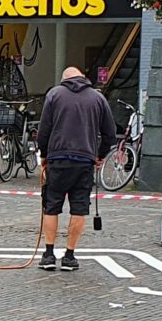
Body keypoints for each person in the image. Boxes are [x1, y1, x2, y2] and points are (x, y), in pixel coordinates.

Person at [35, 66, 116, 272]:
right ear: (83, 77)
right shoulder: (98, 98)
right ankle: (70, 256)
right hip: (85, 160)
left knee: (51, 206)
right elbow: (110, 132)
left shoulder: (54, 94)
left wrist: (44, 154)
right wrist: (99, 155)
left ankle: (49, 254)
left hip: (58, 159)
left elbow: (44, 130)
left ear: (64, 79)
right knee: (79, 208)